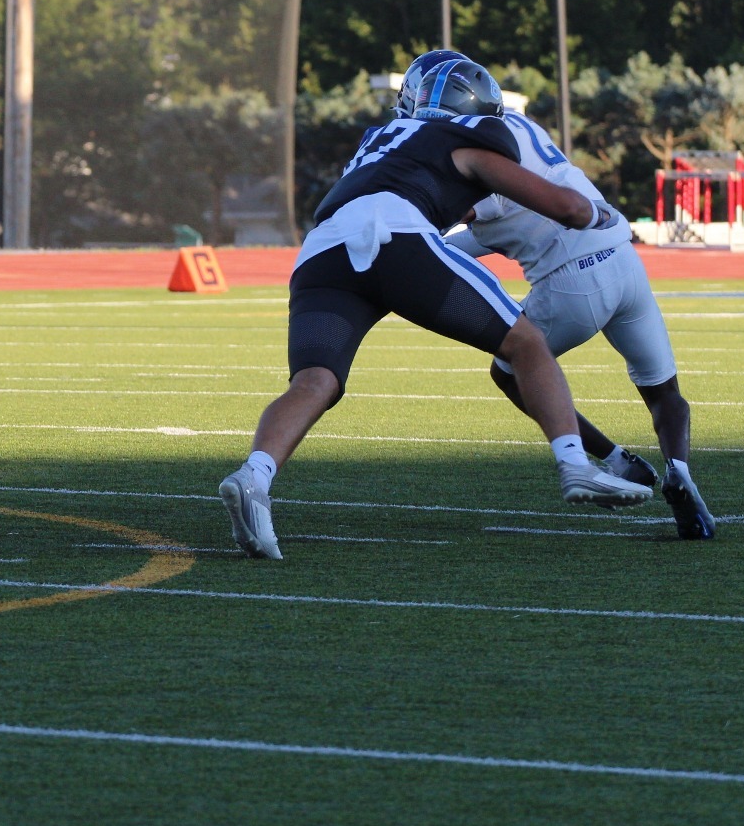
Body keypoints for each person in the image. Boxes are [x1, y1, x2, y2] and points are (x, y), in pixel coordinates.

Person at [219, 56, 652, 560]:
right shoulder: (467, 138)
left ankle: (255, 476)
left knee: (314, 381)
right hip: (396, 238)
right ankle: (576, 463)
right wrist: (600, 211)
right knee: (525, 341)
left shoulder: (378, 141)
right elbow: (568, 208)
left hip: (321, 252)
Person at [443, 84, 714, 539]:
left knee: (509, 372)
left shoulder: (476, 159)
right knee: (663, 388)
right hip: (623, 260)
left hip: (572, 280)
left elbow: (468, 214)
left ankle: (615, 461)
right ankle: (679, 469)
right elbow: (489, 230)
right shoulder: (523, 128)